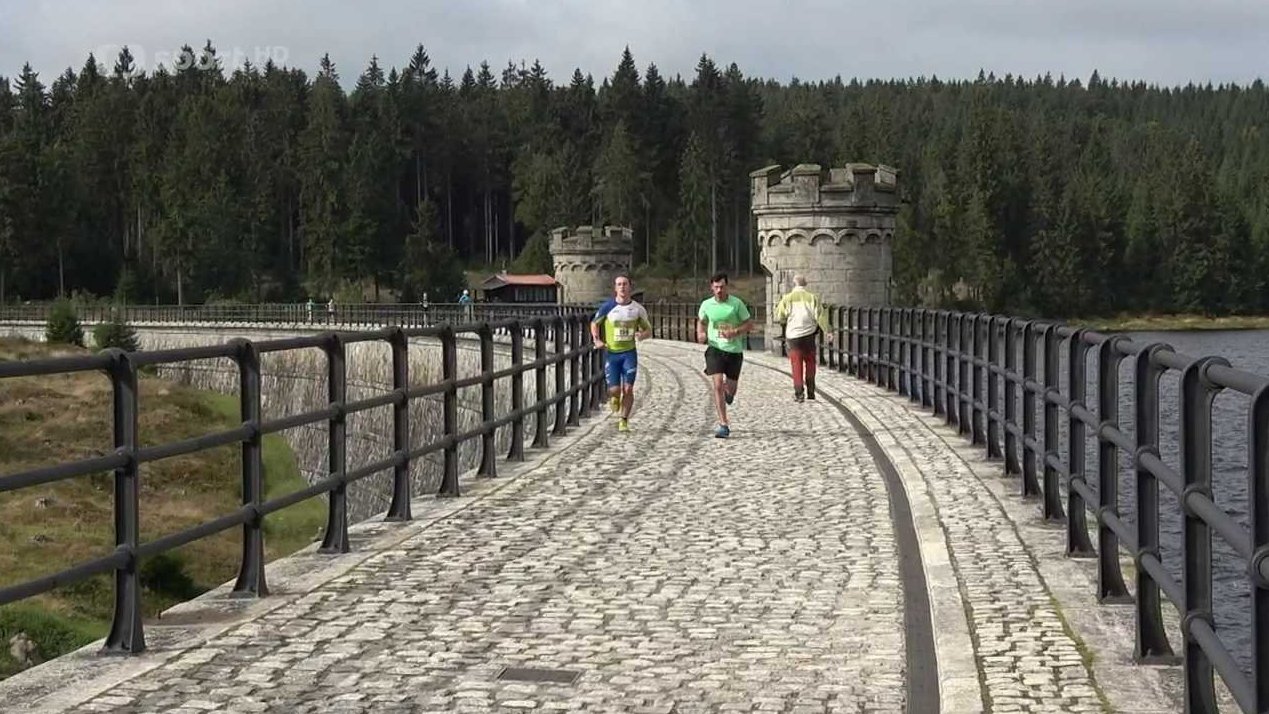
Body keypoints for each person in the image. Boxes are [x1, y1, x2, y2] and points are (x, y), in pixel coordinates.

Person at [591, 275, 652, 432]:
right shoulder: (607, 307)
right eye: (619, 284)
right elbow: (594, 323)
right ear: (615, 288)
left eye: (625, 284)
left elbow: (648, 330)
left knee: (628, 389)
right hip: (612, 353)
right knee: (615, 390)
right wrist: (597, 339)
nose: (622, 287)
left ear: (630, 287)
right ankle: (614, 397)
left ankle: (624, 420)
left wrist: (641, 335)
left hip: (629, 354)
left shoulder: (638, 309)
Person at [696, 272, 753, 438]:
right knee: (718, 384)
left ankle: (729, 394)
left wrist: (735, 331)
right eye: (716, 287)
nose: (719, 290)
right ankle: (723, 423)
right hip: (715, 348)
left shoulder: (736, 304)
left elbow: (749, 324)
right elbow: (701, 321)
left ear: (726, 286)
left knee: (731, 389)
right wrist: (700, 333)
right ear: (711, 288)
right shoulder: (706, 304)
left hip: (734, 351)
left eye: (722, 287)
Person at [774, 274, 833, 402]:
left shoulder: (787, 298)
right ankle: (811, 391)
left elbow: (779, 316)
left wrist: (786, 321)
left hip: (793, 336)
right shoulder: (812, 298)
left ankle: (799, 393)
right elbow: (820, 316)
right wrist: (828, 331)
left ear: (794, 284)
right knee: (810, 362)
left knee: (796, 364)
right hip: (809, 335)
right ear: (805, 284)